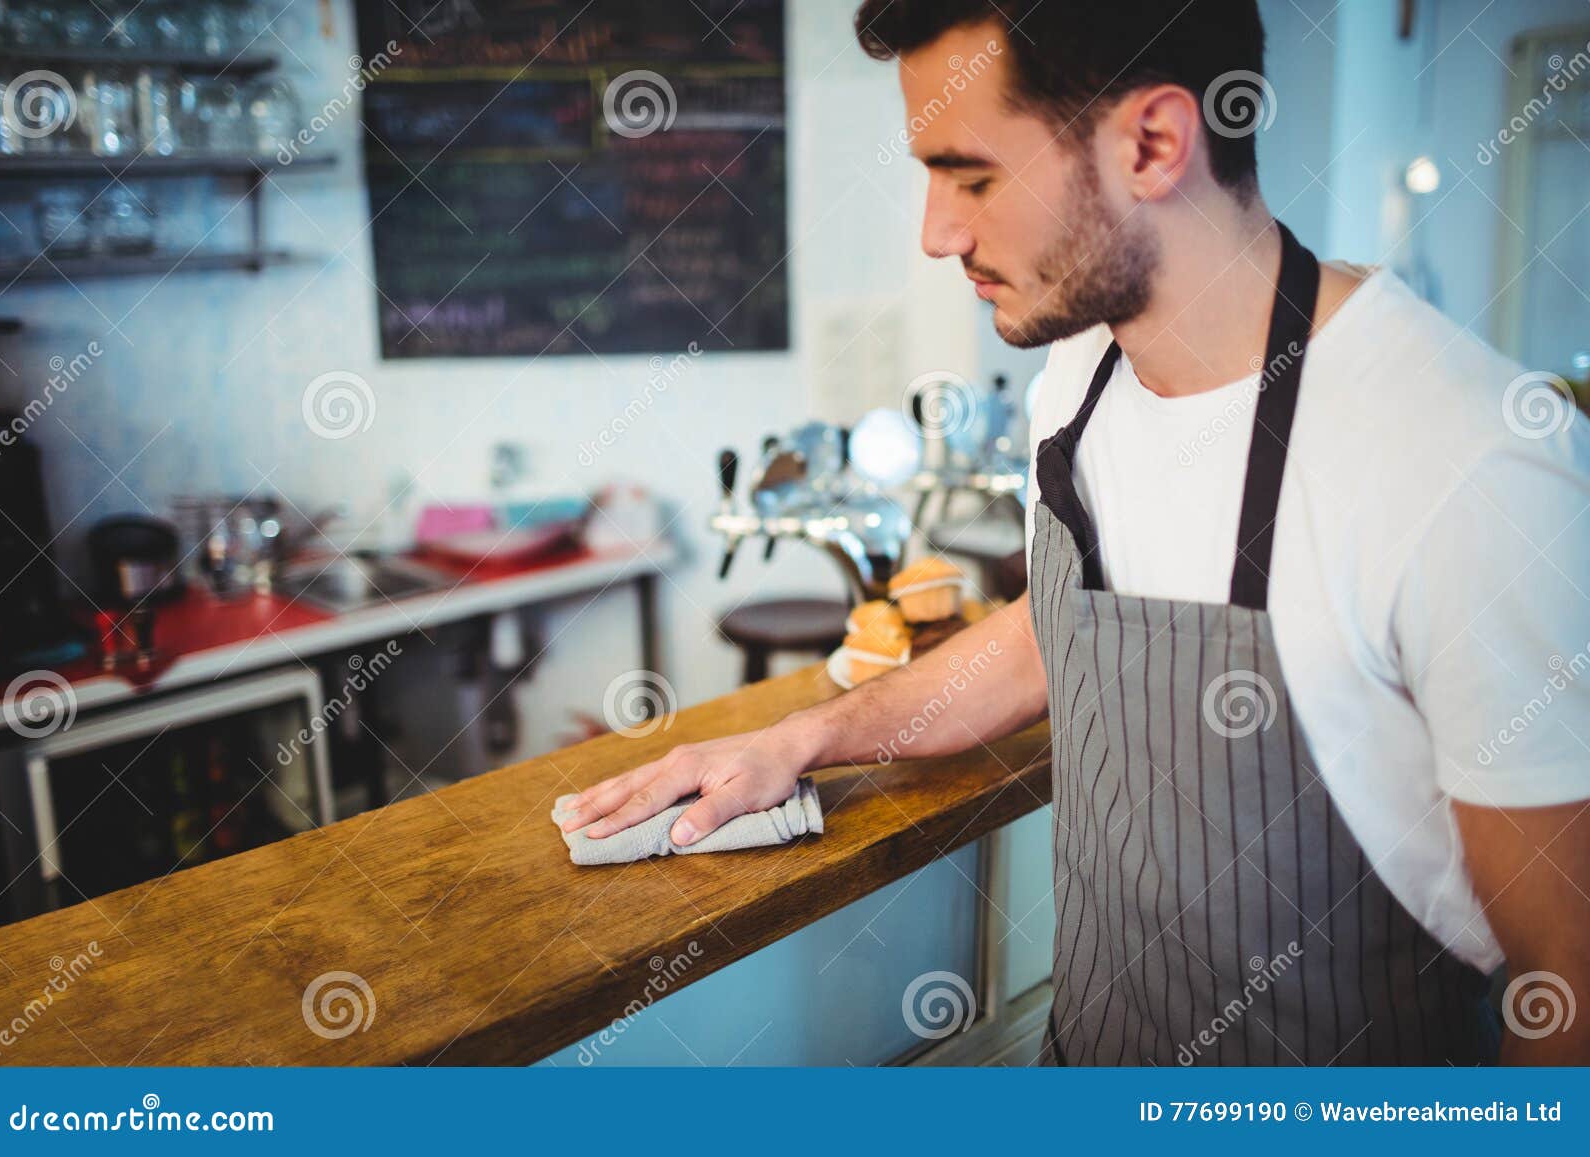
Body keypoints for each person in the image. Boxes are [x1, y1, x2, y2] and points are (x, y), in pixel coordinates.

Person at [560, 0, 1590, 1065]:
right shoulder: (1080, 373)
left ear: (1152, 142)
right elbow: (1061, 626)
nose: (937, 232)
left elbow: (1569, 987)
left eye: (972, 176)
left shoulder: (1470, 464)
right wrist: (802, 738)